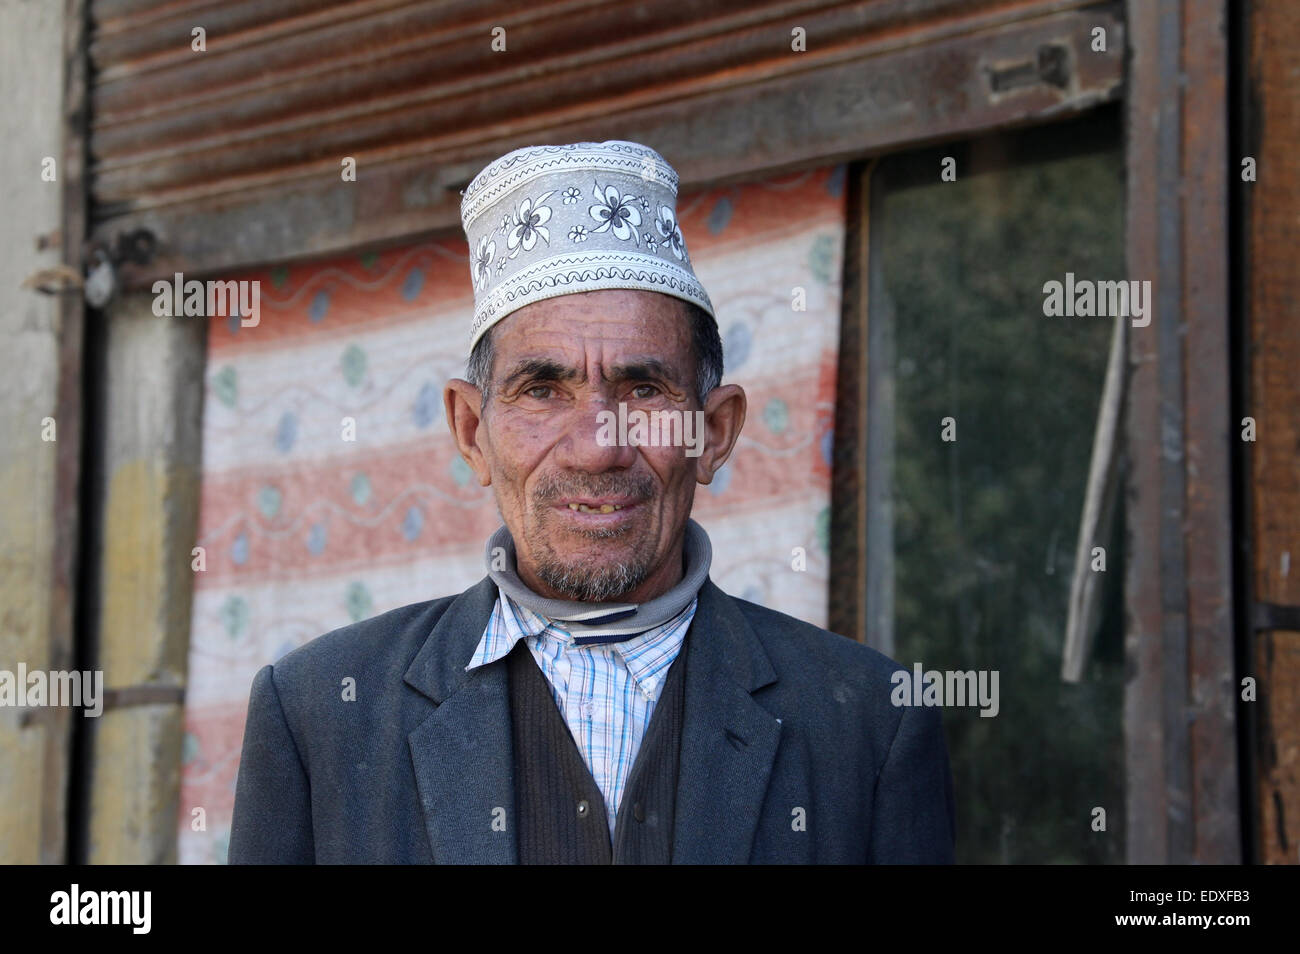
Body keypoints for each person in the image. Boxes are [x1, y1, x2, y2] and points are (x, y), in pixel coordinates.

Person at [228, 140, 955, 864]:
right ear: (472, 431)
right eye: (543, 391)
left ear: (714, 432)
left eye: (644, 390)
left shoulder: (868, 722)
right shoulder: (319, 715)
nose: (596, 448)